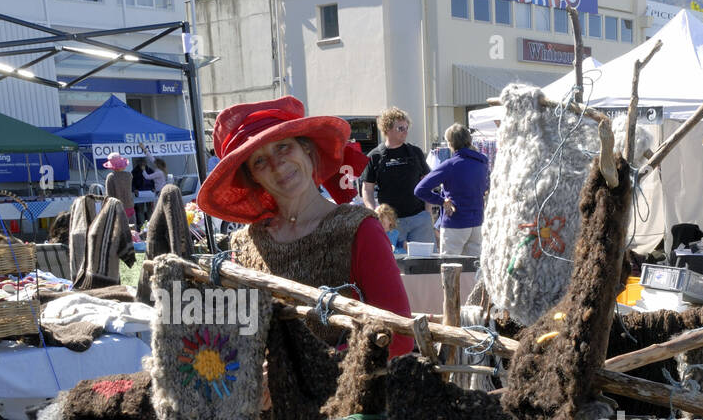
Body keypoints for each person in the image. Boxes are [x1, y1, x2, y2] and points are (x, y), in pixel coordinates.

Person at [196, 95, 414, 358]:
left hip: (352, 395)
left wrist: (303, 373)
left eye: (283, 147)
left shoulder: (359, 229)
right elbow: (241, 335)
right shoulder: (244, 246)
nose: (277, 165)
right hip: (269, 398)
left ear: (306, 150)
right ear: (252, 178)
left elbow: (399, 336)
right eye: (260, 161)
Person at [361, 107, 435, 249]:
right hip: (391, 223)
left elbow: (427, 182)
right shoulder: (375, 156)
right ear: (387, 129)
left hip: (419, 218)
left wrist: (427, 212)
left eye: (407, 128)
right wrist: (373, 211)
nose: (405, 131)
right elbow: (367, 189)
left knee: (425, 264)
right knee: (395, 264)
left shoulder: (415, 152)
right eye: (400, 128)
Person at [413, 123, 489, 257]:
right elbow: (486, 188)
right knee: (474, 269)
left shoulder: (450, 165)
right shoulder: (482, 163)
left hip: (455, 223)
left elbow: (420, 189)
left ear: (450, 144)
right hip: (477, 223)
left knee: (449, 267)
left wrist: (442, 201)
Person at [102, 152, 134, 225]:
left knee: (119, 231)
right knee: (132, 230)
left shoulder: (111, 176)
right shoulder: (129, 175)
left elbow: (108, 195)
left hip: (117, 207)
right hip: (129, 206)